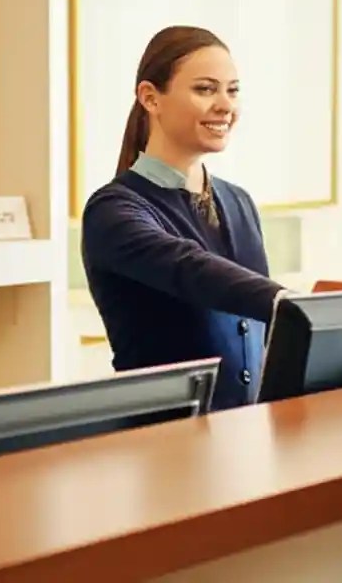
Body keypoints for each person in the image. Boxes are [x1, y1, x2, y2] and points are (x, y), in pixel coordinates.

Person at [82, 25, 287, 411]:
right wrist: (292, 305)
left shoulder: (239, 201)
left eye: (233, 90)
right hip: (164, 443)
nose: (225, 105)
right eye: (206, 89)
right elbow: (191, 270)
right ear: (150, 98)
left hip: (245, 435)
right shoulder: (114, 211)